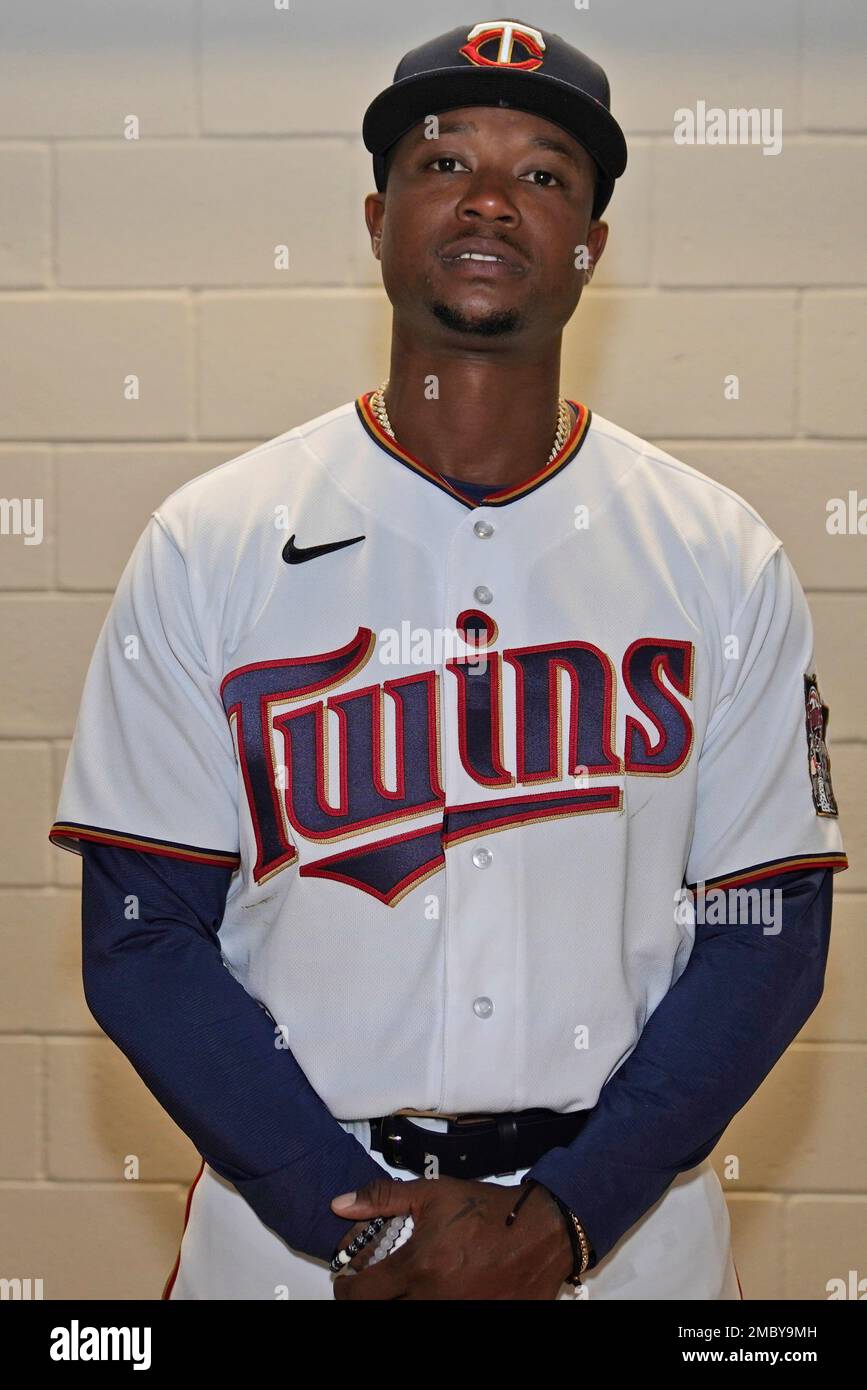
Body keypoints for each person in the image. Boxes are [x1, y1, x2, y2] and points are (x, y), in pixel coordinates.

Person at [50, 19, 848, 1301]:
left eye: (544, 175)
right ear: (375, 219)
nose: (490, 197)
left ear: (592, 247)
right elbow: (143, 932)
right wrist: (350, 1217)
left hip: (625, 1239)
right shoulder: (210, 542)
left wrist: (564, 1221)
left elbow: (768, 934)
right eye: (443, 162)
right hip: (297, 1239)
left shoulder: (719, 554)